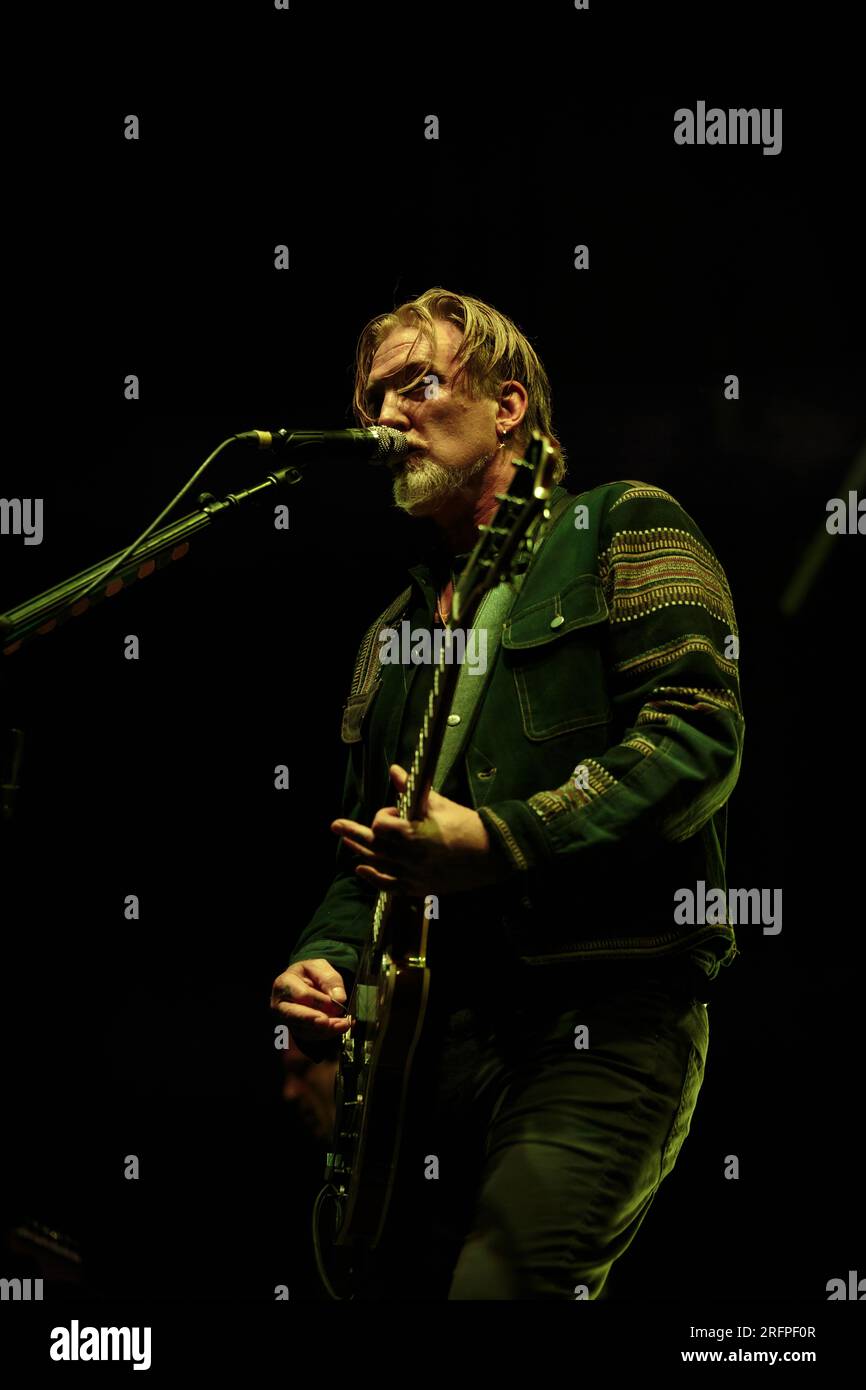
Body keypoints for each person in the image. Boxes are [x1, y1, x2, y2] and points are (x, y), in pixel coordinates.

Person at [270, 287, 745, 1300]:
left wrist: (502, 838)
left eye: (419, 383)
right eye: (372, 400)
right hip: (428, 1045)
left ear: (508, 406)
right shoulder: (386, 638)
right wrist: (320, 964)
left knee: (506, 1285)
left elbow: (696, 734)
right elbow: (371, 858)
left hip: (601, 1012)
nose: (387, 415)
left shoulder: (621, 523)